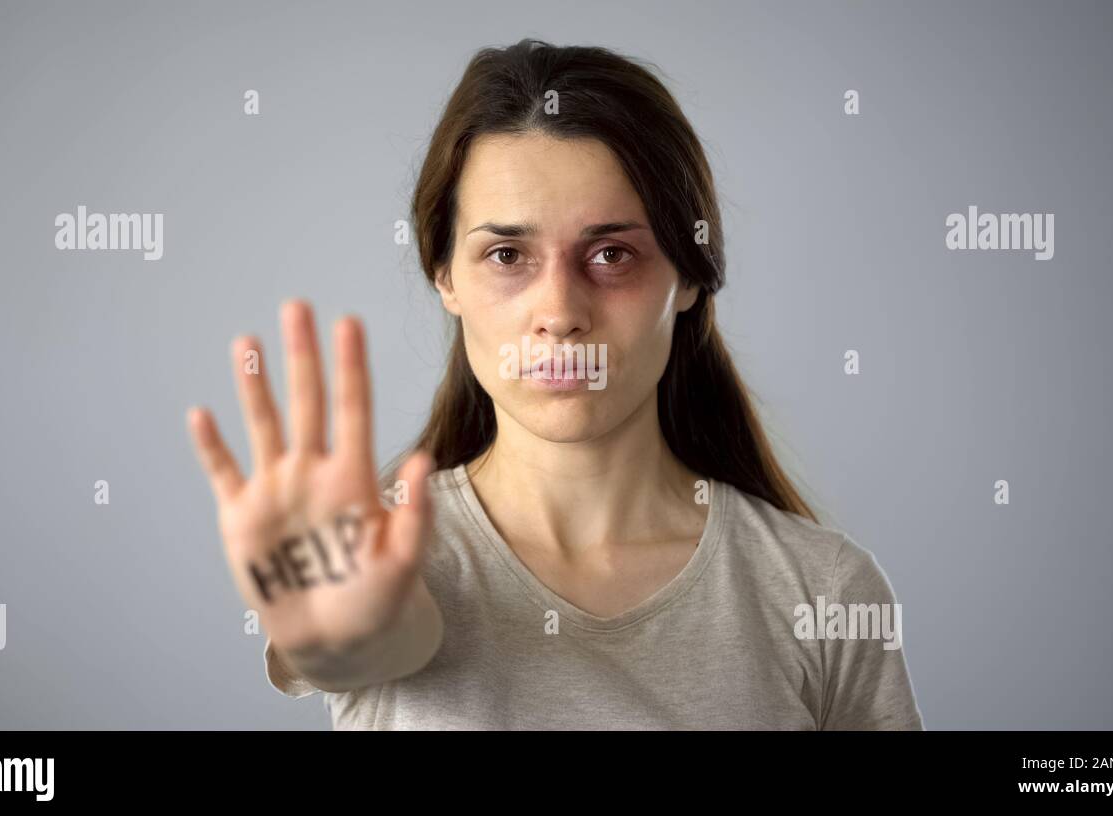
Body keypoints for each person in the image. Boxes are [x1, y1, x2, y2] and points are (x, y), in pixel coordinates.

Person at [186, 38, 924, 730]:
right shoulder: (390, 557)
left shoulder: (825, 589)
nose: (561, 313)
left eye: (611, 254)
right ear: (446, 276)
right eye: (507, 253)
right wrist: (336, 624)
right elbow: (361, 637)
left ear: (690, 277)